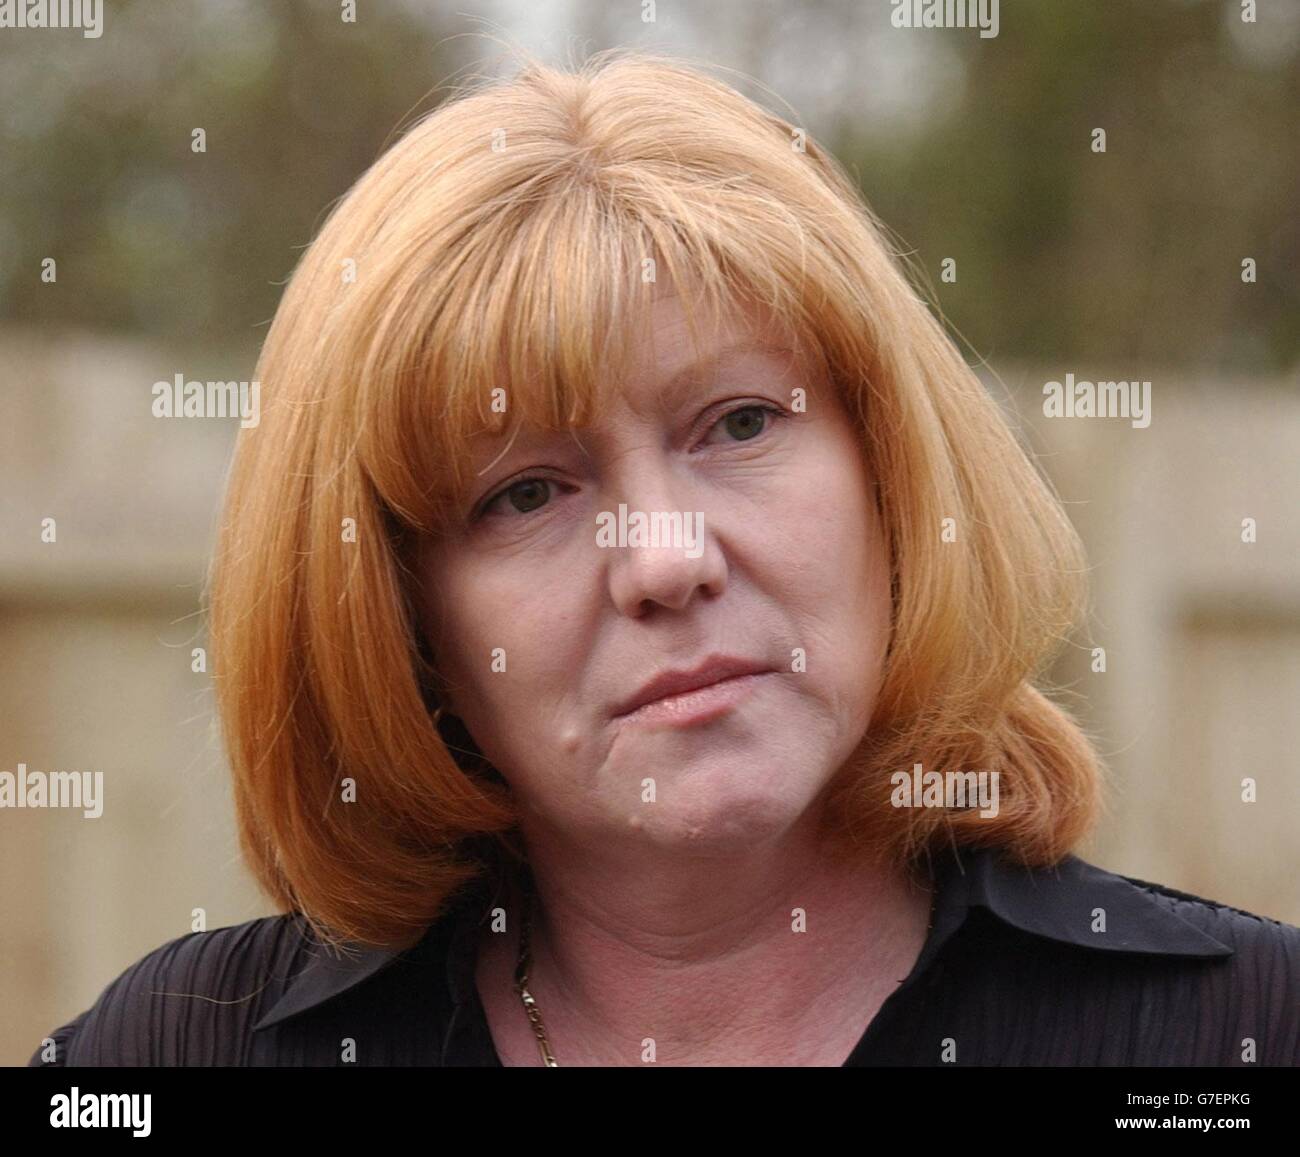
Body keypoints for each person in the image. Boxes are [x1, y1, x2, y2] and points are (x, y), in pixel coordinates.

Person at [29, 49, 1299, 1067]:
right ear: (400, 619)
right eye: (525, 491)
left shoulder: (1236, 1033)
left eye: (739, 423)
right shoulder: (177, 1056)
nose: (665, 560)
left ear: (892, 476)